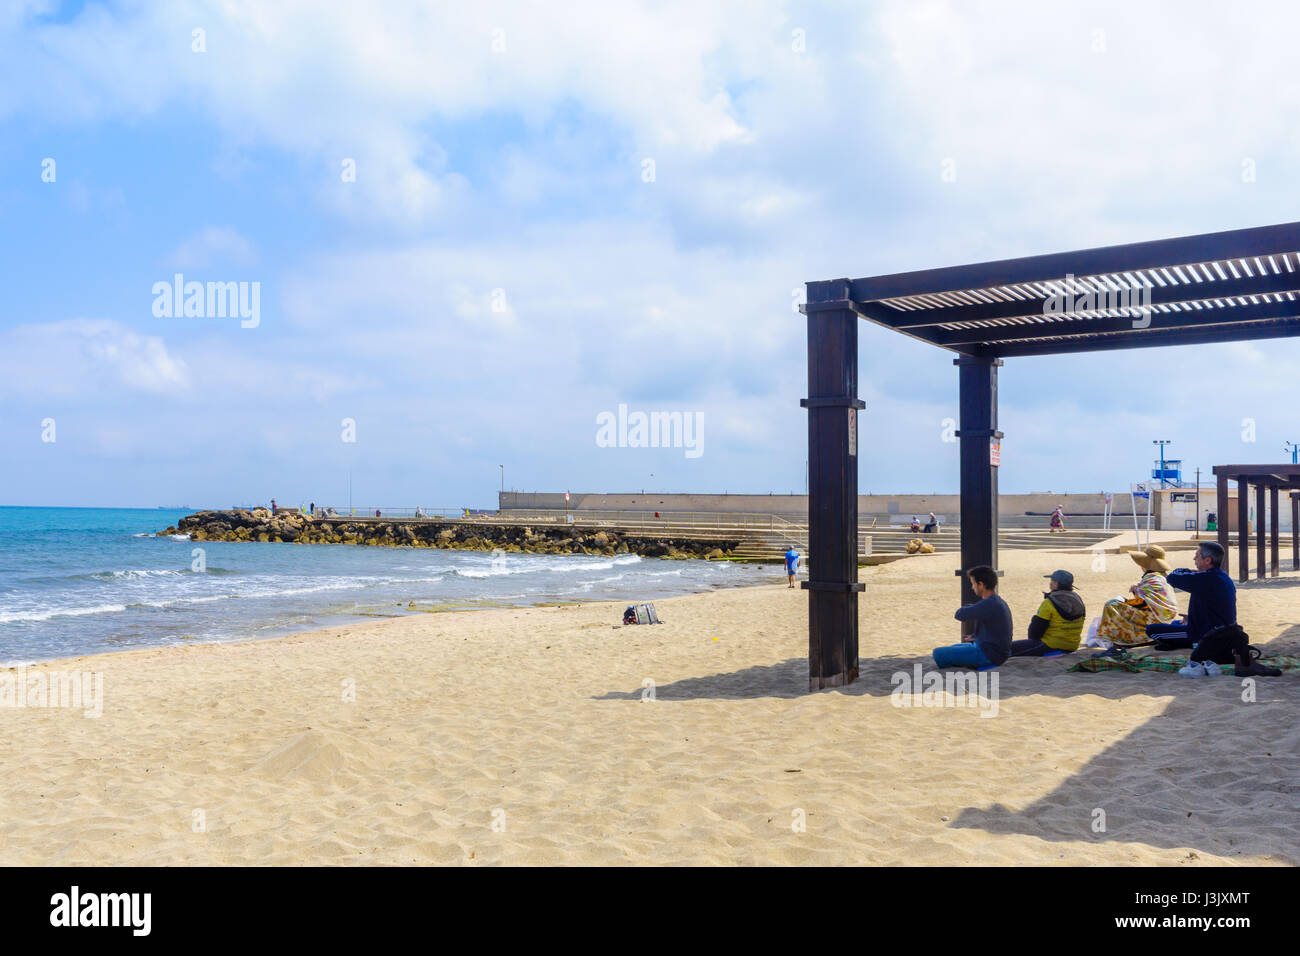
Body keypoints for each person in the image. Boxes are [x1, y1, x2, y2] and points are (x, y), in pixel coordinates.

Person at [1145, 542, 1281, 677]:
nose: (1194, 559)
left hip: (1206, 634)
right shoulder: (1222, 576)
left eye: (1197, 556)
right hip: (1222, 630)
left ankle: (1188, 643)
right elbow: (1213, 606)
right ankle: (1178, 641)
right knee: (1175, 624)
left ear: (1207, 560)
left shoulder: (1206, 578)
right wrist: (1191, 617)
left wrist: (1188, 571)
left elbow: (1172, 577)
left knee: (1152, 630)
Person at [1093, 545, 1179, 645]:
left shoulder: (1153, 578)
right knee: (1119, 603)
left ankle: (1124, 639)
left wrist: (1134, 592)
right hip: (1163, 617)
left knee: (1111, 605)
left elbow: (1143, 603)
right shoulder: (1159, 576)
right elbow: (1151, 600)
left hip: (1155, 619)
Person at [933, 566, 1012, 668]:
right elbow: (996, 630)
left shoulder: (989, 604)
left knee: (938, 653)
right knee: (954, 647)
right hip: (996, 653)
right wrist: (976, 636)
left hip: (989, 655)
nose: (972, 587)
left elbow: (960, 614)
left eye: (973, 584)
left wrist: (971, 607)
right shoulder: (997, 601)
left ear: (981, 585)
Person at [1011, 569, 1086, 656]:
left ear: (1056, 584)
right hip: (1072, 646)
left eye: (1052, 581)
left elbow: (1035, 632)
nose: (1050, 583)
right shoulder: (1078, 599)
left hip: (1051, 645)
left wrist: (1032, 640)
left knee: (1008, 648)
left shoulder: (1049, 602)